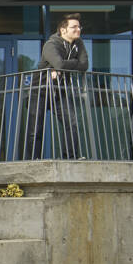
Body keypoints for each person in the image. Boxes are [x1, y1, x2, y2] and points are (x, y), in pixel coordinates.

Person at [38, 13, 90, 158]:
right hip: (40, 91)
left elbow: (84, 65)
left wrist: (62, 67)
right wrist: (72, 63)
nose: (78, 30)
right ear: (63, 30)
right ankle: (33, 159)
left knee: (71, 123)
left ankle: (70, 157)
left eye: (79, 27)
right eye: (74, 27)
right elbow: (59, 64)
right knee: (35, 129)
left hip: (60, 91)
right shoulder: (51, 44)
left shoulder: (78, 44)